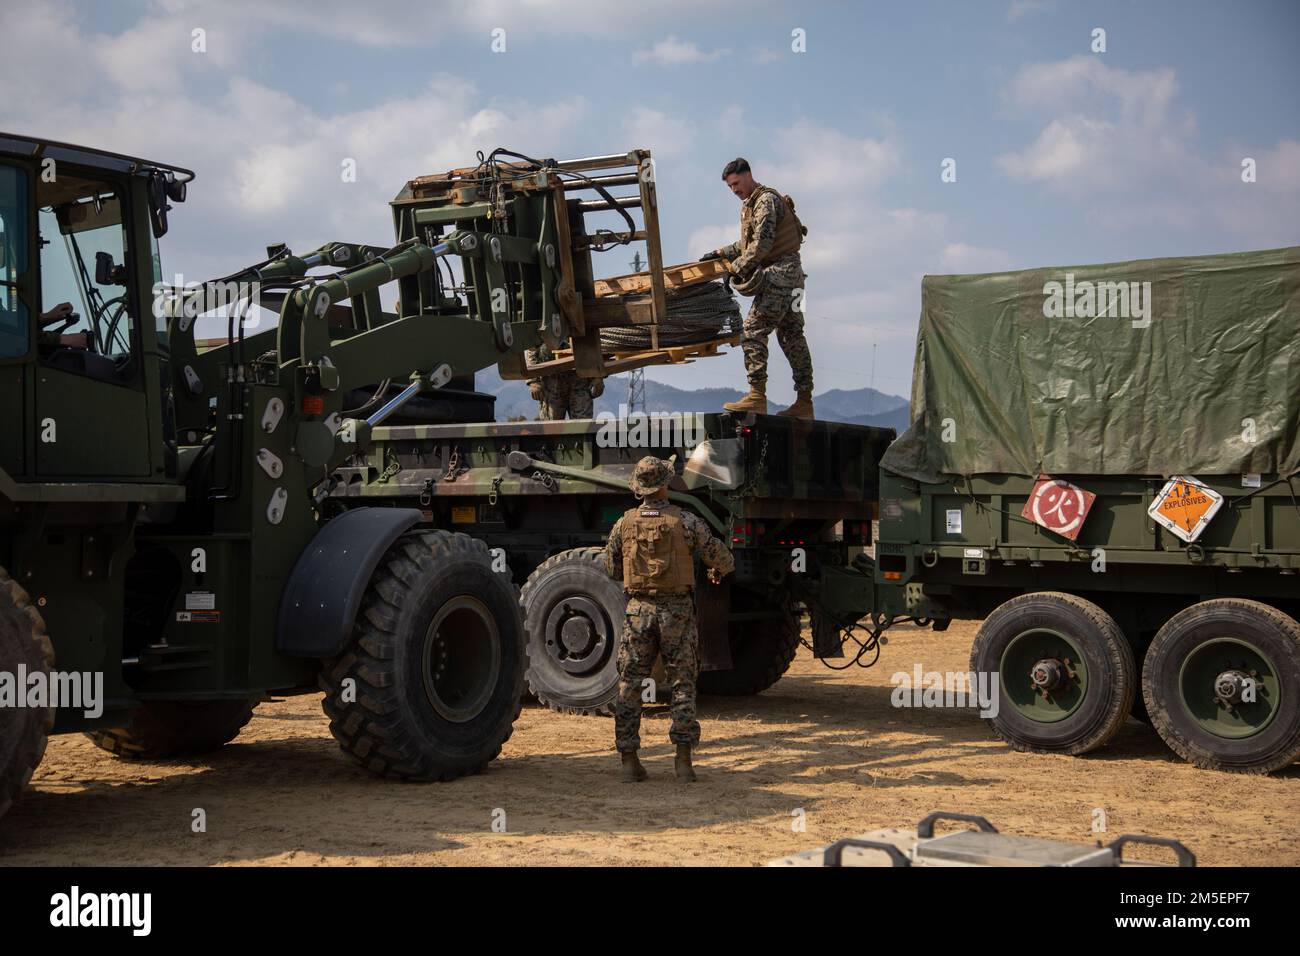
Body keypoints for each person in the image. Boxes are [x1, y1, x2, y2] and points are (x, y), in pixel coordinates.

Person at [602, 456, 734, 782]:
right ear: (664, 485)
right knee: (682, 684)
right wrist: (717, 569)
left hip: (638, 612)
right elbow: (722, 558)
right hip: (677, 612)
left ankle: (629, 761)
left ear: (639, 487)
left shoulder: (624, 523)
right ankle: (683, 762)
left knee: (630, 685)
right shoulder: (686, 522)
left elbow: (610, 567)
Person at [702, 157, 815, 420]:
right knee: (792, 335)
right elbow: (749, 242)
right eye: (730, 187)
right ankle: (805, 402)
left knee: (752, 330)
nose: (734, 190)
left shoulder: (765, 201)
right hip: (796, 278)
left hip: (780, 275)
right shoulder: (753, 204)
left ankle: (756, 396)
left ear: (748, 175)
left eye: (736, 183)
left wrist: (736, 268)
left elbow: (761, 246)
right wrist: (722, 252)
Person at [526, 339, 604, 419]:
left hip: (580, 380)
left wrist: (597, 376)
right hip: (551, 380)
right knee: (552, 427)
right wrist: (534, 380)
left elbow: (596, 341)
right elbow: (531, 346)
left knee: (583, 425)